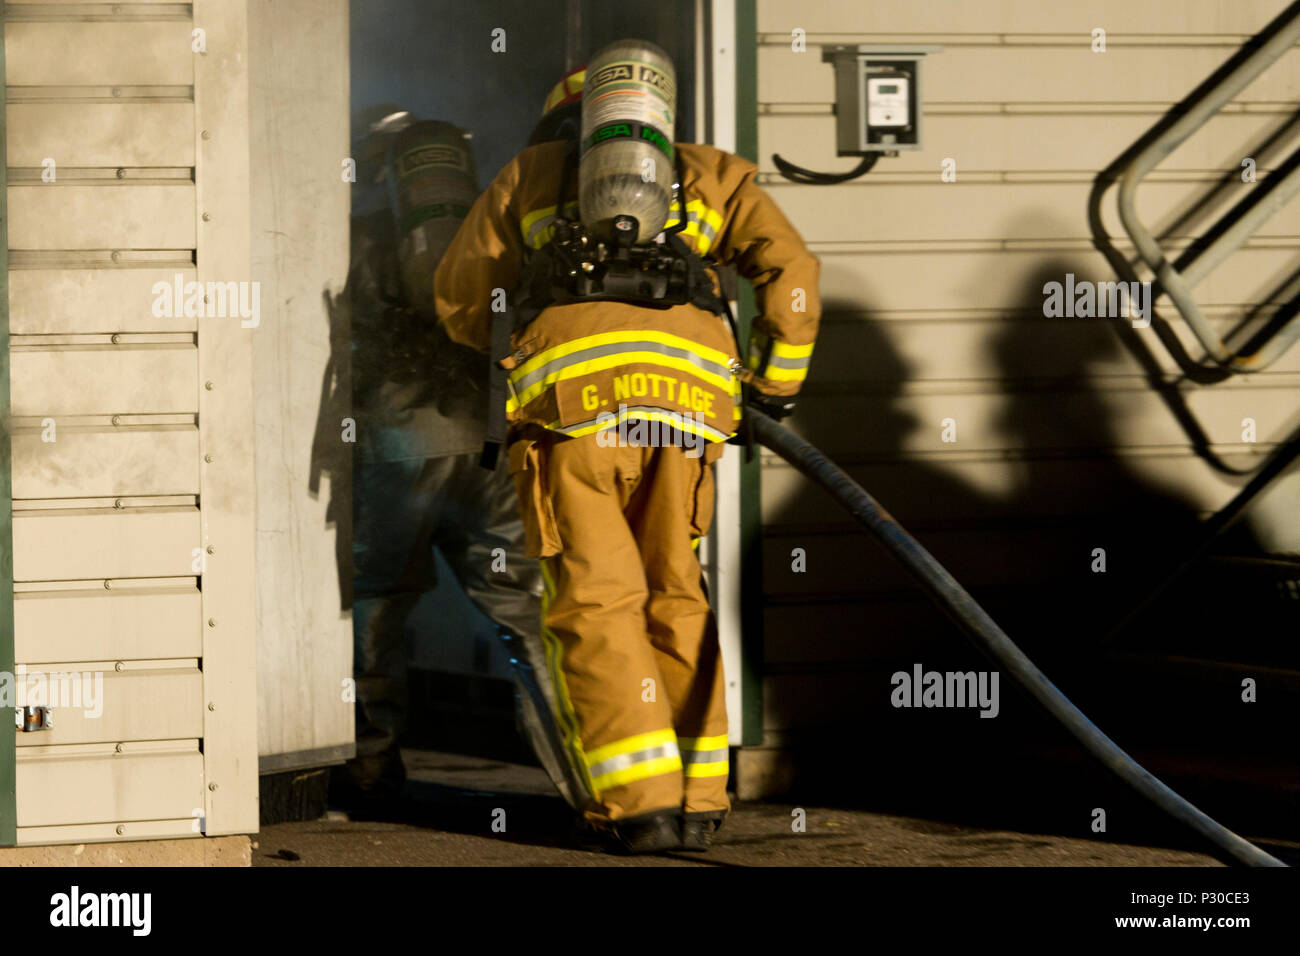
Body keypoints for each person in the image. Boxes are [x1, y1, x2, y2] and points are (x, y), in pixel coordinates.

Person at [435, 40, 821, 853]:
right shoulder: (715, 173)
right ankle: (701, 800)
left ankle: (638, 807)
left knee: (595, 602)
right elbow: (792, 272)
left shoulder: (529, 175)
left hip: (575, 418)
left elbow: (462, 298)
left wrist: (507, 343)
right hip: (686, 415)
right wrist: (775, 383)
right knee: (677, 592)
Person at [336, 107, 589, 814]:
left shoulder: (354, 236)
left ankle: (368, 775)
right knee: (529, 617)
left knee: (375, 613)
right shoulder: (494, 229)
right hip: (491, 444)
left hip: (398, 450)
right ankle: (591, 783)